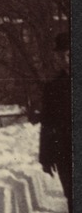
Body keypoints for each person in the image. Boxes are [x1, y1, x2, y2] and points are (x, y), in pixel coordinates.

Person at [39, 31, 71, 199]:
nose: (65, 60)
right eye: (61, 56)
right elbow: (47, 124)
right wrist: (45, 156)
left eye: (68, 54)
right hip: (65, 152)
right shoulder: (52, 88)